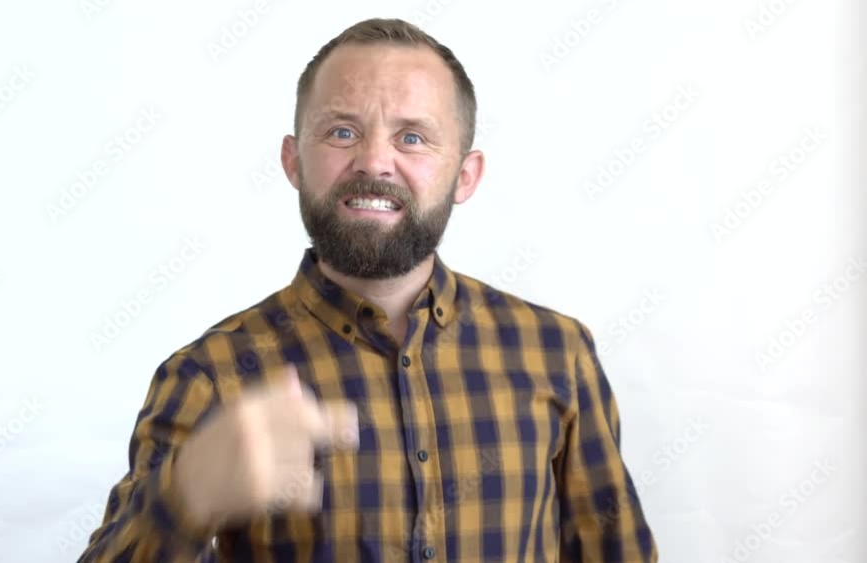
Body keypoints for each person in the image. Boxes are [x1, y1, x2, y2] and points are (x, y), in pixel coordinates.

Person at [76, 17, 659, 563]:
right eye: (342, 131)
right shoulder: (210, 374)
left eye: (412, 137)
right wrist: (186, 497)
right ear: (293, 161)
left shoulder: (557, 351)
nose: (374, 161)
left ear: (465, 175)